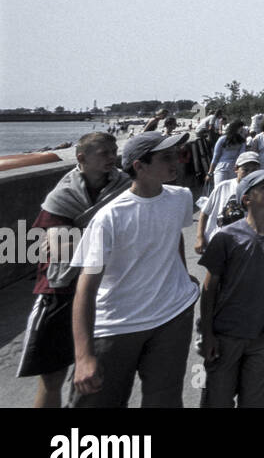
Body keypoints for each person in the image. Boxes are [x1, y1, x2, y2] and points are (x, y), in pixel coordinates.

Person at [68, 132, 201, 407]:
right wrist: (83, 357)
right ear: (139, 166)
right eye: (165, 157)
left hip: (171, 317)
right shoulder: (109, 217)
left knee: (165, 400)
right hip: (118, 325)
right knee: (99, 401)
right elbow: (86, 287)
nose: (175, 161)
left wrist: (183, 277)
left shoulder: (181, 198)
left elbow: (172, 234)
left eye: (175, 154)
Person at [17, 132, 132, 408]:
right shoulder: (62, 195)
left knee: (98, 377)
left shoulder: (125, 186)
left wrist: (77, 238)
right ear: (82, 158)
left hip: (107, 290)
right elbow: (53, 249)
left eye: (113, 150)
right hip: (61, 291)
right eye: (103, 152)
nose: (112, 157)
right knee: (53, 378)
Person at [197, 167, 264, 407]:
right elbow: (209, 289)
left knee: (260, 400)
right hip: (226, 334)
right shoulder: (226, 237)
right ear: (247, 199)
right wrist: (207, 333)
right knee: (217, 399)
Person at [195, 152, 262, 255]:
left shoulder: (261, 192)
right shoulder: (223, 187)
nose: (249, 174)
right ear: (236, 169)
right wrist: (200, 237)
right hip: (217, 245)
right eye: (245, 170)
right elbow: (204, 213)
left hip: (245, 249)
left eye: (254, 170)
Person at [207, 119, 247, 185]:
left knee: (225, 191)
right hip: (228, 168)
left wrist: (209, 173)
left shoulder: (241, 141)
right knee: (221, 190)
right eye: (241, 129)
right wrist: (209, 173)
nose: (242, 130)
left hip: (229, 169)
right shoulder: (223, 139)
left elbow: (241, 157)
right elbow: (215, 157)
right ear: (235, 128)